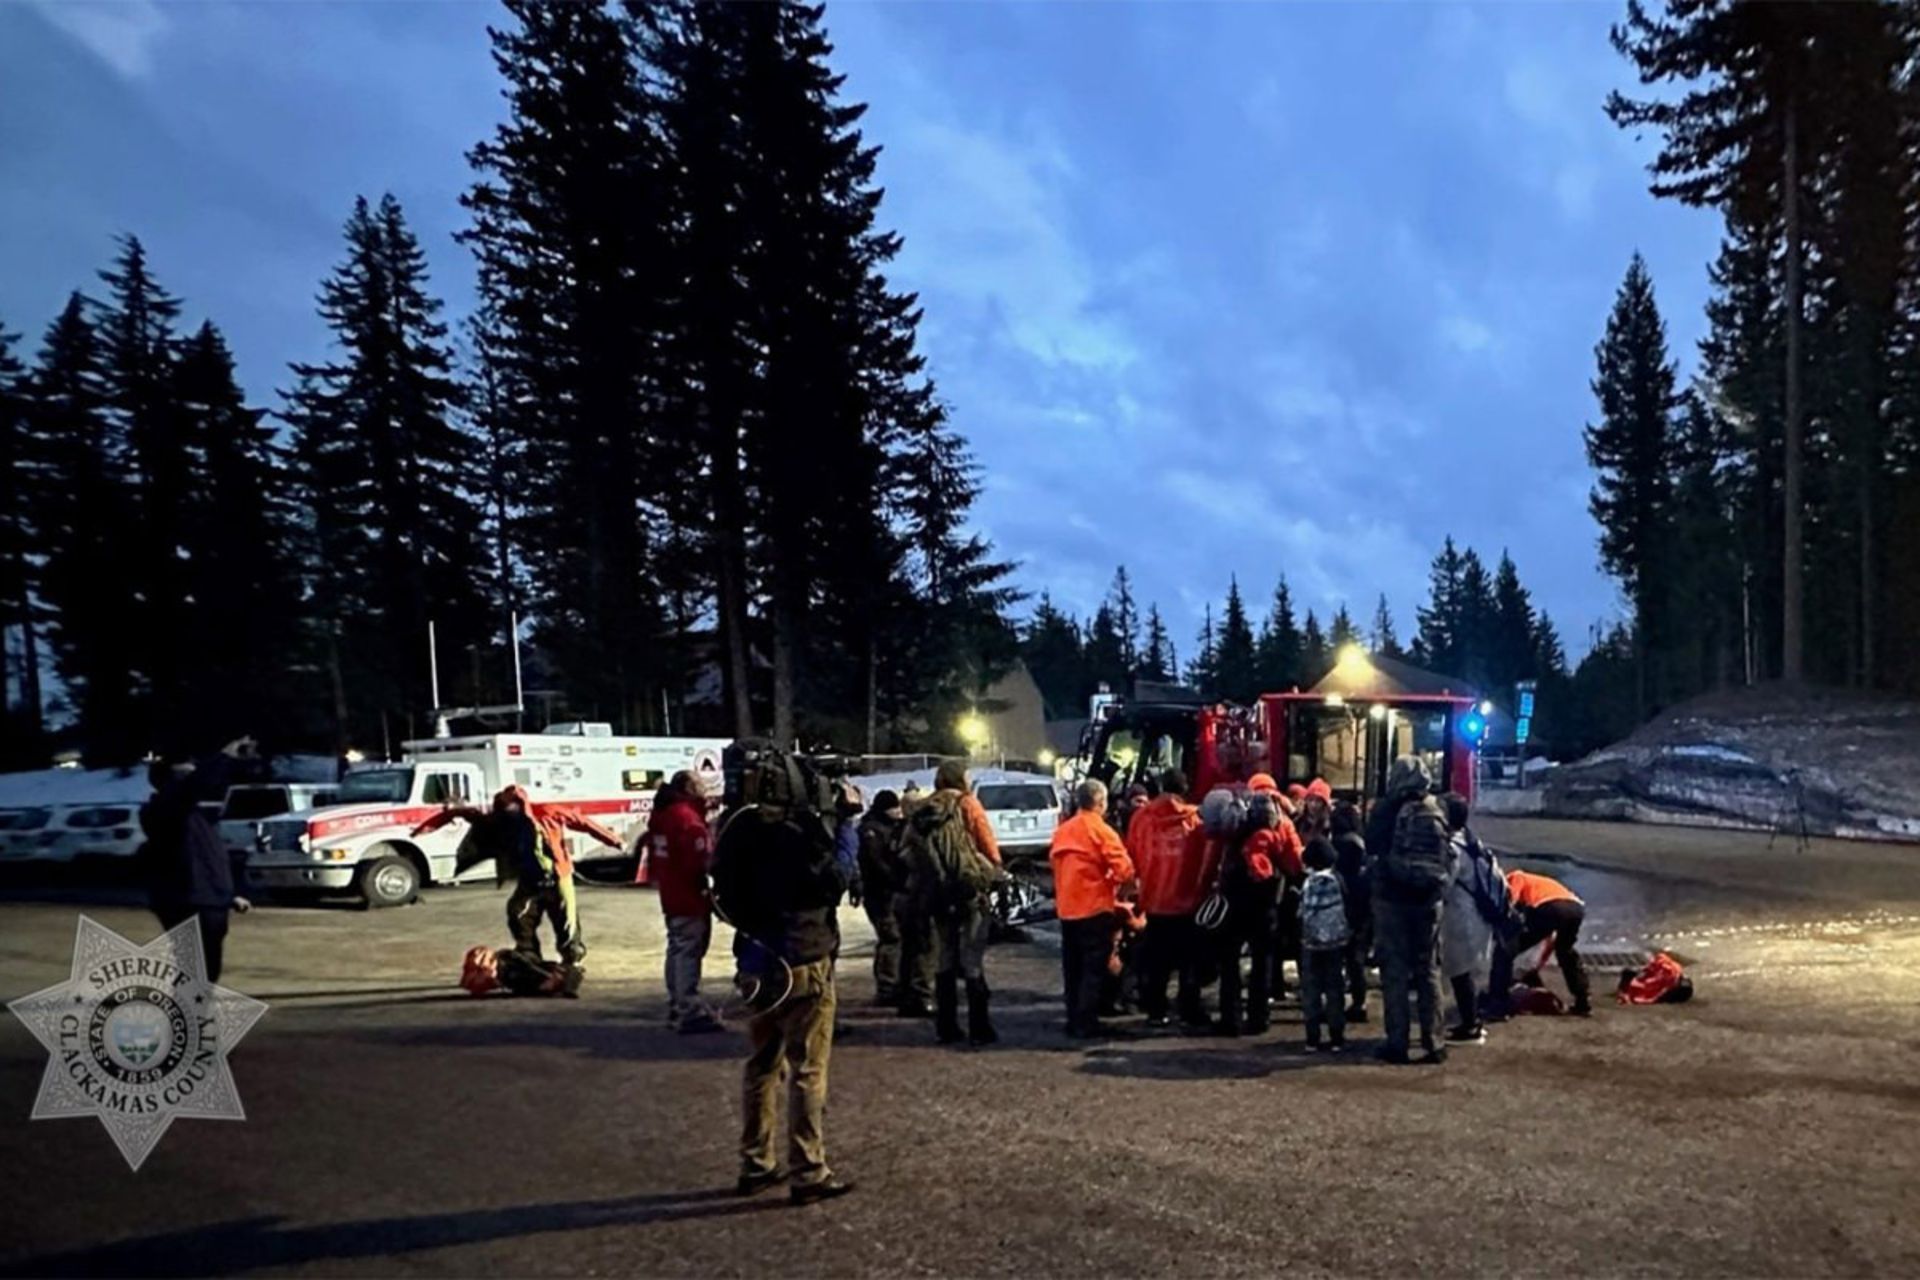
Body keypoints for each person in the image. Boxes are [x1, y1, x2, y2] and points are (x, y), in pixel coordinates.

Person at [710, 747, 854, 1205]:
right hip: (804, 960)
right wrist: (845, 826)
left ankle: (755, 1162)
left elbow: (722, 892)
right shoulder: (803, 831)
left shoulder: (735, 828)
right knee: (808, 1069)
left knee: (762, 1064)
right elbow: (836, 881)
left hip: (756, 960)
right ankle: (808, 1170)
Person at [413, 785, 622, 993]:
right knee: (518, 912)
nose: (510, 811)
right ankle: (529, 955)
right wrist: (424, 829)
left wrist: (614, 841)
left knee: (566, 920)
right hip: (530, 879)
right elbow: (460, 813)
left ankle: (572, 961)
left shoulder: (548, 812)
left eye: (513, 807)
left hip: (558, 876)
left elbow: (582, 822)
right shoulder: (499, 822)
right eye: (505, 808)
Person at [901, 761, 1003, 1045]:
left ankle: (946, 1026)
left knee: (945, 954)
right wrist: (993, 871)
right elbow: (987, 844)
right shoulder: (967, 804)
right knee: (972, 957)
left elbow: (907, 852)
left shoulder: (924, 808)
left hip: (937, 892)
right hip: (968, 888)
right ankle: (980, 1026)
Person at [139, 736, 255, 982]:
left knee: (205, 971)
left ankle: (193, 1017)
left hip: (206, 899)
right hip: (186, 900)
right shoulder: (164, 809)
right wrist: (224, 756)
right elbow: (193, 786)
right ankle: (189, 1018)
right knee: (196, 971)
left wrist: (231, 892)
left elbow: (212, 856)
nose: (192, 772)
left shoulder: (193, 816)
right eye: (185, 772)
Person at [1367, 756, 1453, 1065]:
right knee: (1428, 970)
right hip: (1429, 900)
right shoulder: (1437, 807)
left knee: (1395, 972)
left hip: (1392, 900)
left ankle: (1397, 1042)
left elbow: (1372, 846)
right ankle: (1434, 1042)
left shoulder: (1386, 809)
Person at [1126, 769, 1214, 1030]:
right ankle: (1189, 1009)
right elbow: (1206, 860)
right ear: (1185, 788)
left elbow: (1132, 855)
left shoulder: (1142, 818)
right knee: (1189, 961)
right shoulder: (1196, 821)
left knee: (1157, 961)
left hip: (1154, 899)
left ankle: (1156, 1010)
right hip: (1188, 901)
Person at [1049, 779, 1136, 1039]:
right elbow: (1124, 869)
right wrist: (1121, 886)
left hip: (1067, 909)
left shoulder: (1063, 831)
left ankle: (1073, 1018)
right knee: (1093, 969)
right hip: (1094, 908)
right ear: (1101, 803)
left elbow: (1055, 864)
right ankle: (1087, 1022)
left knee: (1072, 969)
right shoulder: (1101, 831)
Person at [643, 772, 720, 1032]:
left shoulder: (664, 814)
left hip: (671, 892)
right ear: (688, 787)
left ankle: (678, 1003)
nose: (705, 788)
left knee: (677, 948)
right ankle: (689, 1008)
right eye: (700, 784)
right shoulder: (686, 818)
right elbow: (698, 861)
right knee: (688, 950)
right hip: (689, 894)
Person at [1438, 791, 1507, 1045]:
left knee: (1460, 972)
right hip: (1475, 917)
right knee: (1465, 972)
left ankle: (1471, 1027)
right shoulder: (1470, 841)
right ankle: (1471, 1022)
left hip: (1462, 917)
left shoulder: (1453, 848)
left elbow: (1445, 883)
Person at [1216, 791, 1285, 1036]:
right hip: (1264, 905)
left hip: (1234, 902)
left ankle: (1230, 1017)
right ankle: (1259, 1017)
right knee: (1262, 961)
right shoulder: (1275, 837)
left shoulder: (1235, 836)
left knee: (1229, 961)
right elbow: (1291, 864)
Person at [1489, 868, 1592, 1017]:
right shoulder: (1542, 882)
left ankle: (1499, 1002)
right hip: (1575, 909)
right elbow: (1548, 937)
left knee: (1504, 952)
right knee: (1565, 951)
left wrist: (1500, 934)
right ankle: (1583, 1000)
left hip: (1549, 907)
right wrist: (1537, 965)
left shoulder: (1515, 877)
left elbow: (1509, 906)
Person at [855, 790, 915, 1009]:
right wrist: (897, 879)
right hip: (880, 893)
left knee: (894, 938)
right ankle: (887, 986)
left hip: (890, 891)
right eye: (894, 808)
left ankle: (893, 984)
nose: (898, 812)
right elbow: (876, 863)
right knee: (891, 938)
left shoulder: (890, 827)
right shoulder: (871, 831)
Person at [1297, 837, 1350, 1052]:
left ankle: (1312, 1038)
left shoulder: (1307, 882)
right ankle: (1337, 1037)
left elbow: (1301, 912)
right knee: (1334, 989)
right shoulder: (1338, 879)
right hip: (1335, 943)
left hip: (1311, 943)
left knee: (1311, 991)